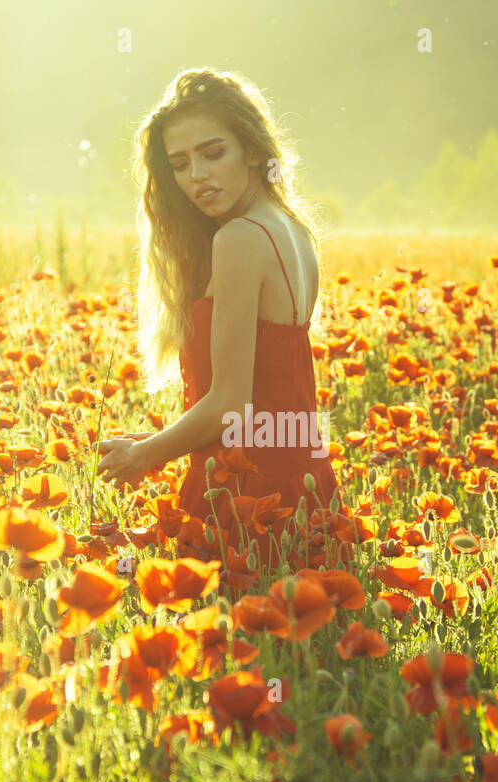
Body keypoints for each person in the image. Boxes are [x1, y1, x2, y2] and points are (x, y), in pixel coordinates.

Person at [96, 68, 350, 578]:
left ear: (253, 151)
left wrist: (142, 456)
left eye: (214, 154)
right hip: (303, 481)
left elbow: (230, 405)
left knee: (230, 651)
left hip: (245, 493)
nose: (197, 177)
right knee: (297, 651)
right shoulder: (295, 230)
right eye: (180, 164)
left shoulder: (239, 237)